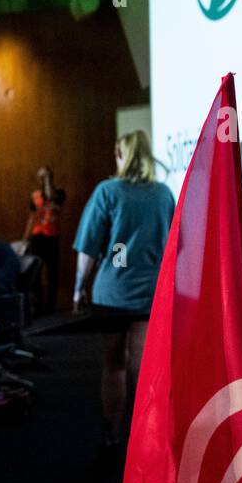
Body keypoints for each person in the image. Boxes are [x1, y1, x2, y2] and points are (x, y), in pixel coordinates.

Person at [72, 130, 175, 448]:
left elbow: (88, 248)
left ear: (121, 154)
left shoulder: (108, 191)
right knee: (145, 370)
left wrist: (78, 289)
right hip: (151, 295)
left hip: (112, 295)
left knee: (114, 364)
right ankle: (149, 440)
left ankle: (112, 435)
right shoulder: (163, 194)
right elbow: (176, 246)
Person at [23, 166, 65, 312]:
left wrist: (48, 182)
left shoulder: (59, 192)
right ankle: (39, 304)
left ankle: (51, 305)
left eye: (45, 176)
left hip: (52, 236)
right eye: (40, 177)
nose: (42, 179)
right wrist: (25, 238)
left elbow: (53, 200)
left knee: (53, 271)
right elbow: (32, 216)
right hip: (38, 235)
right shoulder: (35, 195)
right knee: (35, 270)